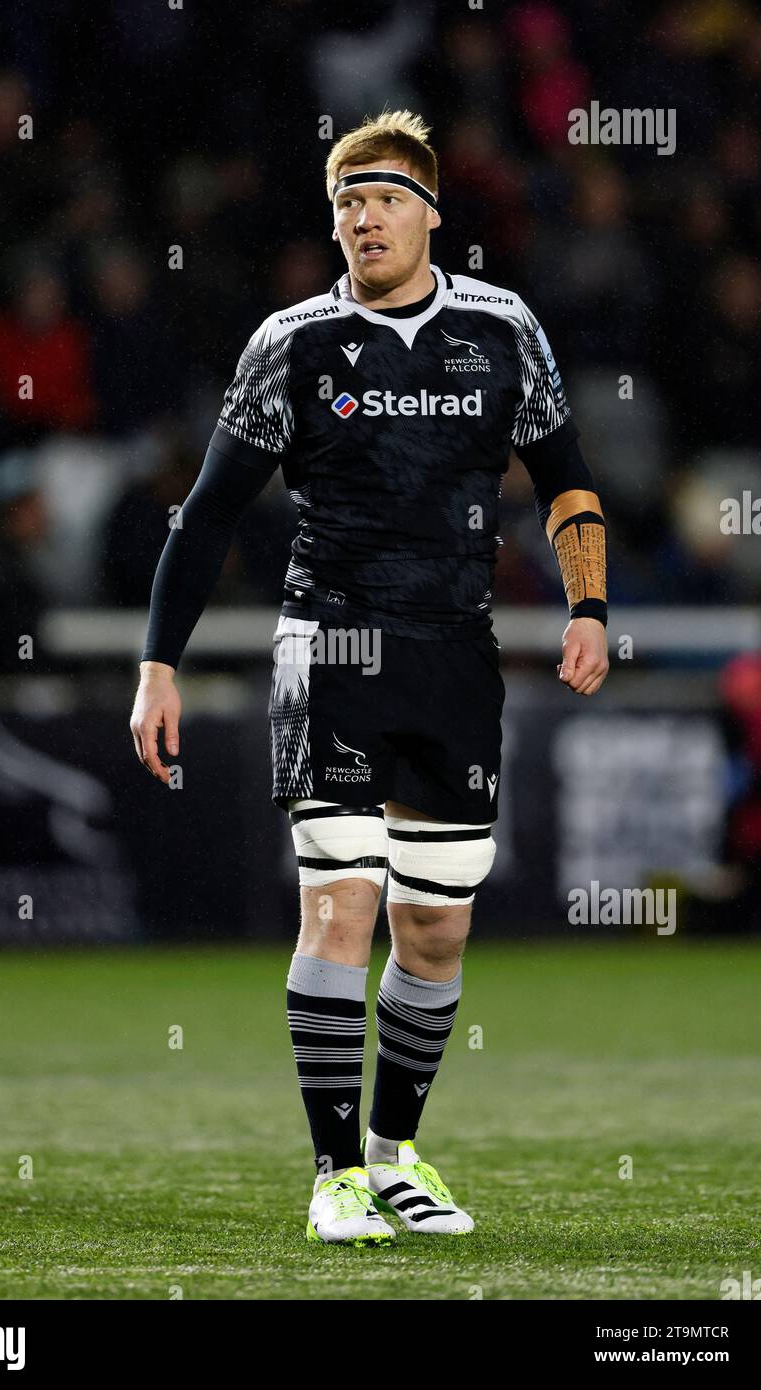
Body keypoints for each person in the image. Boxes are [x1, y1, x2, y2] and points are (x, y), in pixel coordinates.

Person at [130, 111, 609, 1245]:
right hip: (327, 643)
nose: (361, 218)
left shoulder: (500, 330)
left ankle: (394, 1154)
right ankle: (331, 1172)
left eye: (384, 198)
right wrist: (158, 665)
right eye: (345, 201)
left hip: (453, 652)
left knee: (433, 930)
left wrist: (587, 607)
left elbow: (568, 483)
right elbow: (204, 521)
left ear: (429, 213)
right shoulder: (289, 342)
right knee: (340, 901)